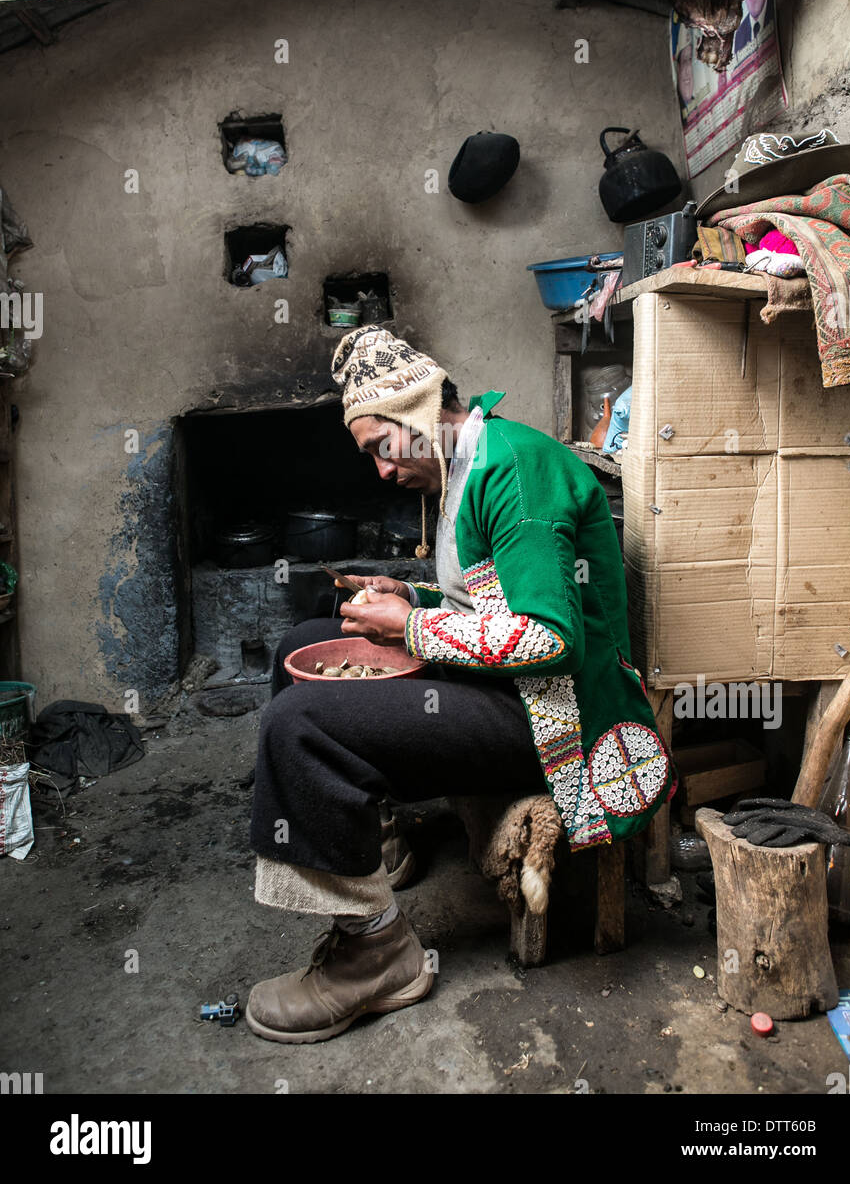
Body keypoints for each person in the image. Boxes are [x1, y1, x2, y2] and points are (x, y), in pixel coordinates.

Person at [245, 326, 676, 1044]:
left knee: (301, 725)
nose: (381, 472)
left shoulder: (513, 472)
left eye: (384, 447)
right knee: (303, 645)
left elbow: (549, 637)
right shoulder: (463, 466)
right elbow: (485, 606)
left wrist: (411, 631)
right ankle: (367, 833)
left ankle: (376, 952)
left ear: (418, 416)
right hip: (503, 686)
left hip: (556, 719)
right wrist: (409, 600)